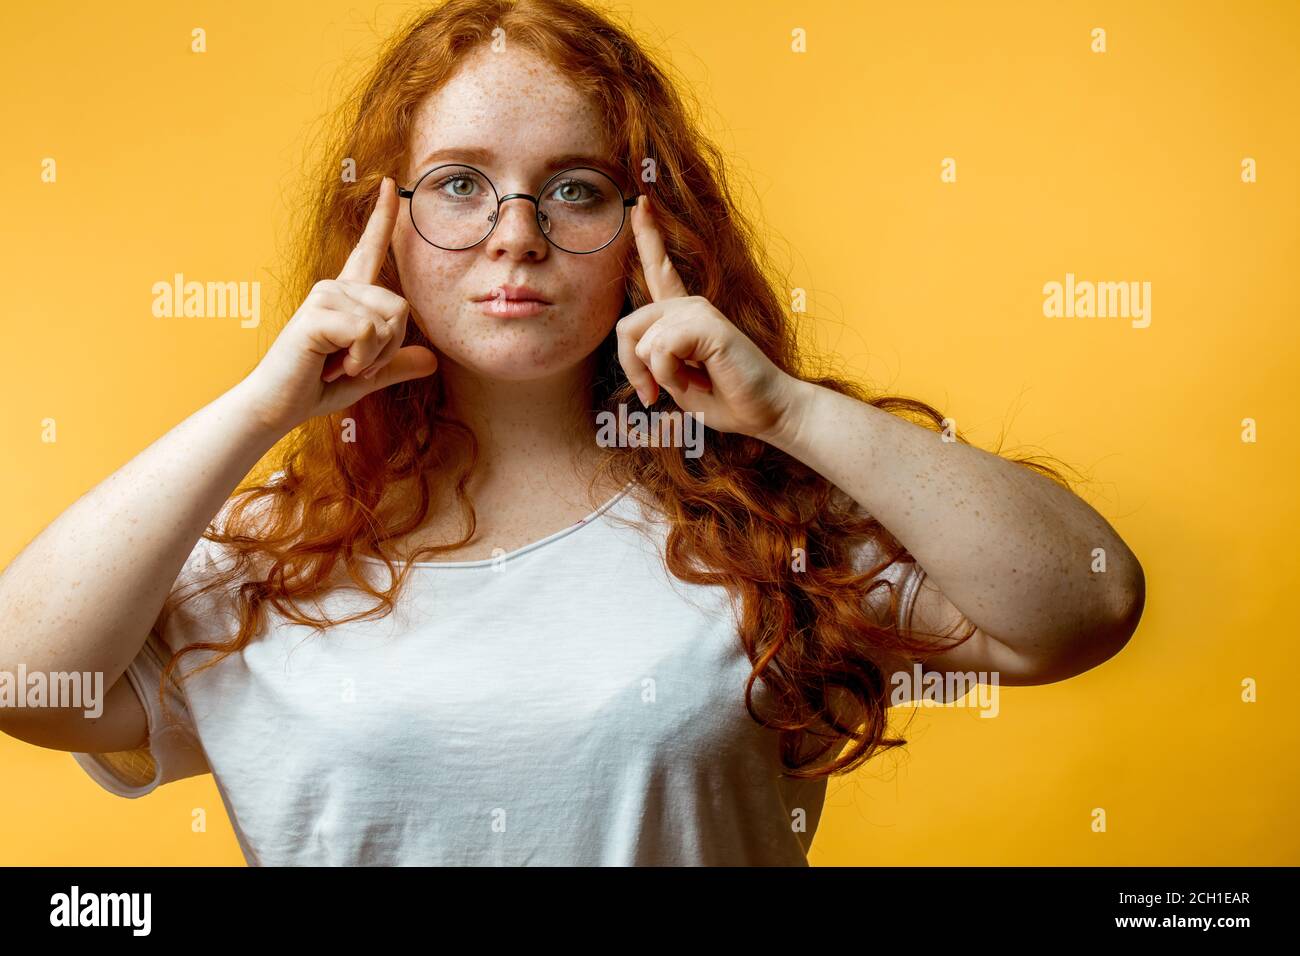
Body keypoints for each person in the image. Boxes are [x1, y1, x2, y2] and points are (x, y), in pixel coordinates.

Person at [0, 0, 1144, 866]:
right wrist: (258, 409)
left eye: (576, 188)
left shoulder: (764, 528)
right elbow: (22, 680)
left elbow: (1083, 606)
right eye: (458, 183)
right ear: (379, 228)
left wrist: (788, 412)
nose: (516, 235)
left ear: (651, 226)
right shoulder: (269, 555)